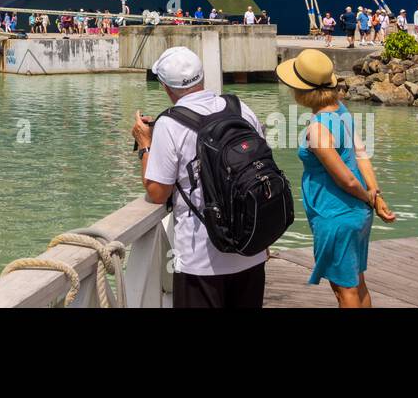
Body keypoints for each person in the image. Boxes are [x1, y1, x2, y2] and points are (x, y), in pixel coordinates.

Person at [132, 47, 267, 307]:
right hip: (251, 248)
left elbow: (157, 192)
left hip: (201, 261)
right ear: (202, 76)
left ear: (165, 86)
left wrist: (145, 145)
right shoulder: (239, 107)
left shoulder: (170, 124)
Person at [277, 49, 395, 308]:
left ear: (302, 92)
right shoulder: (342, 110)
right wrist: (376, 196)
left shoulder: (317, 129)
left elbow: (347, 181)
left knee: (344, 291)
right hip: (357, 213)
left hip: (335, 214)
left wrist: (368, 196)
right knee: (356, 283)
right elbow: (361, 155)